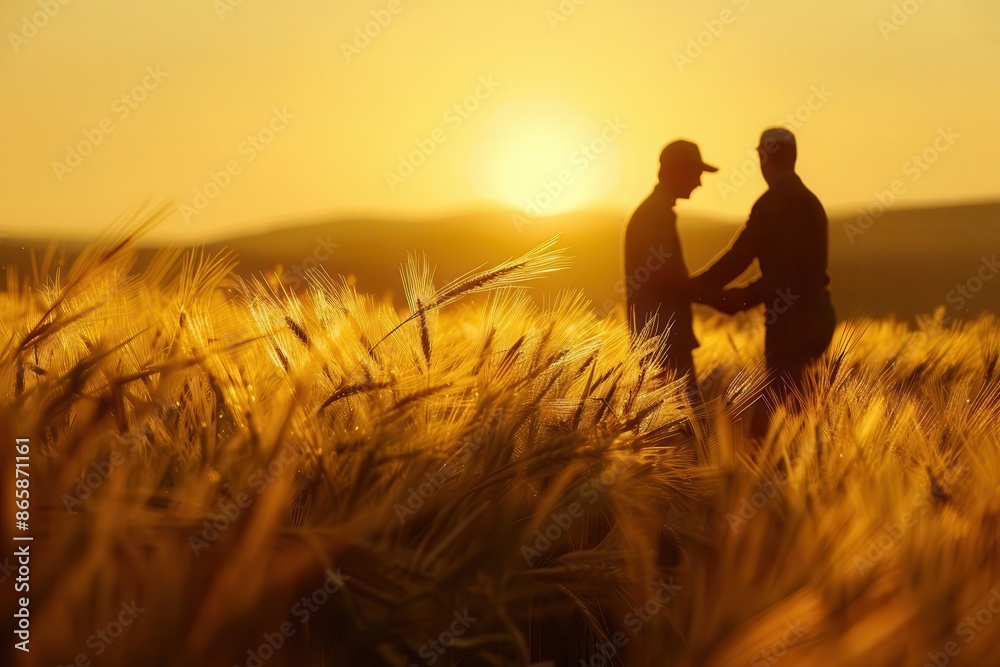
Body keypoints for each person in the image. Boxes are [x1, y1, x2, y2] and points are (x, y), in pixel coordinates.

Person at [691, 128, 836, 398]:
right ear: (793, 157)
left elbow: (738, 258)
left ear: (763, 159)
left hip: (789, 323)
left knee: (775, 412)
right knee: (802, 406)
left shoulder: (771, 203)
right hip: (819, 317)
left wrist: (695, 288)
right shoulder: (812, 203)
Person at [623, 139, 718, 384]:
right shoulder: (655, 216)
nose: (699, 182)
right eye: (696, 173)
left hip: (659, 338)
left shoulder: (654, 212)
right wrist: (723, 299)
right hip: (664, 341)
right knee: (683, 418)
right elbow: (667, 279)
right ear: (677, 170)